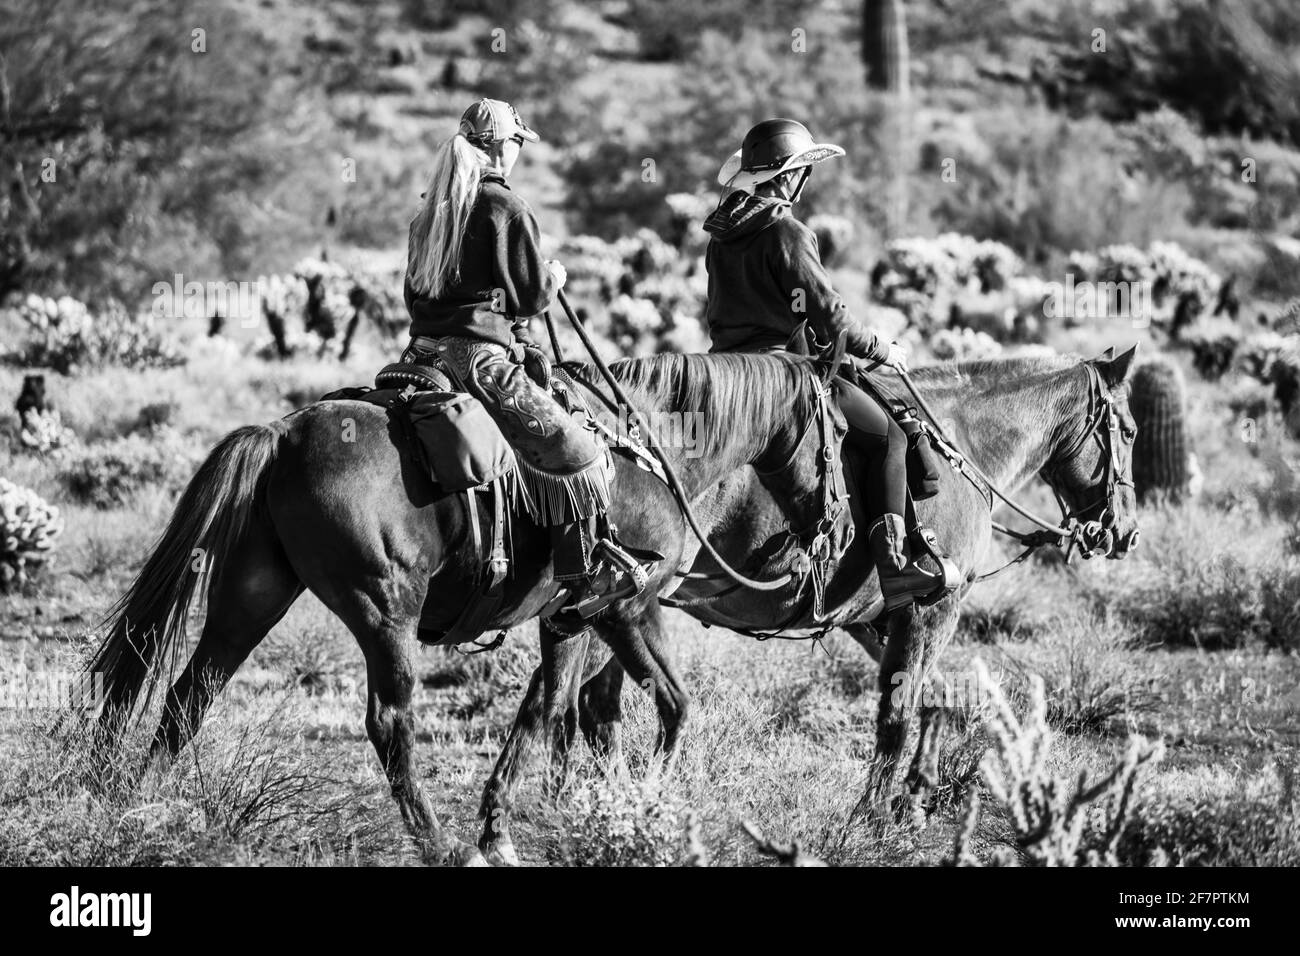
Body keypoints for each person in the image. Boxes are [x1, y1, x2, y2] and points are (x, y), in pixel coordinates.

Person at [401, 98, 653, 622]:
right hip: (478, 362)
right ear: (501, 146)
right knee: (580, 451)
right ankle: (582, 574)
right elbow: (530, 299)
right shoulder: (504, 208)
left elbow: (417, 295)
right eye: (518, 142)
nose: (520, 151)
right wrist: (553, 279)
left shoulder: (430, 211)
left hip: (418, 357)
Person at [702, 118, 952, 611]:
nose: (804, 181)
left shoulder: (723, 234)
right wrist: (882, 349)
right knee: (890, 437)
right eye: (801, 171)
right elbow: (833, 319)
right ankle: (896, 567)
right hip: (783, 373)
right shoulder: (787, 231)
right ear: (786, 177)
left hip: (724, 370)